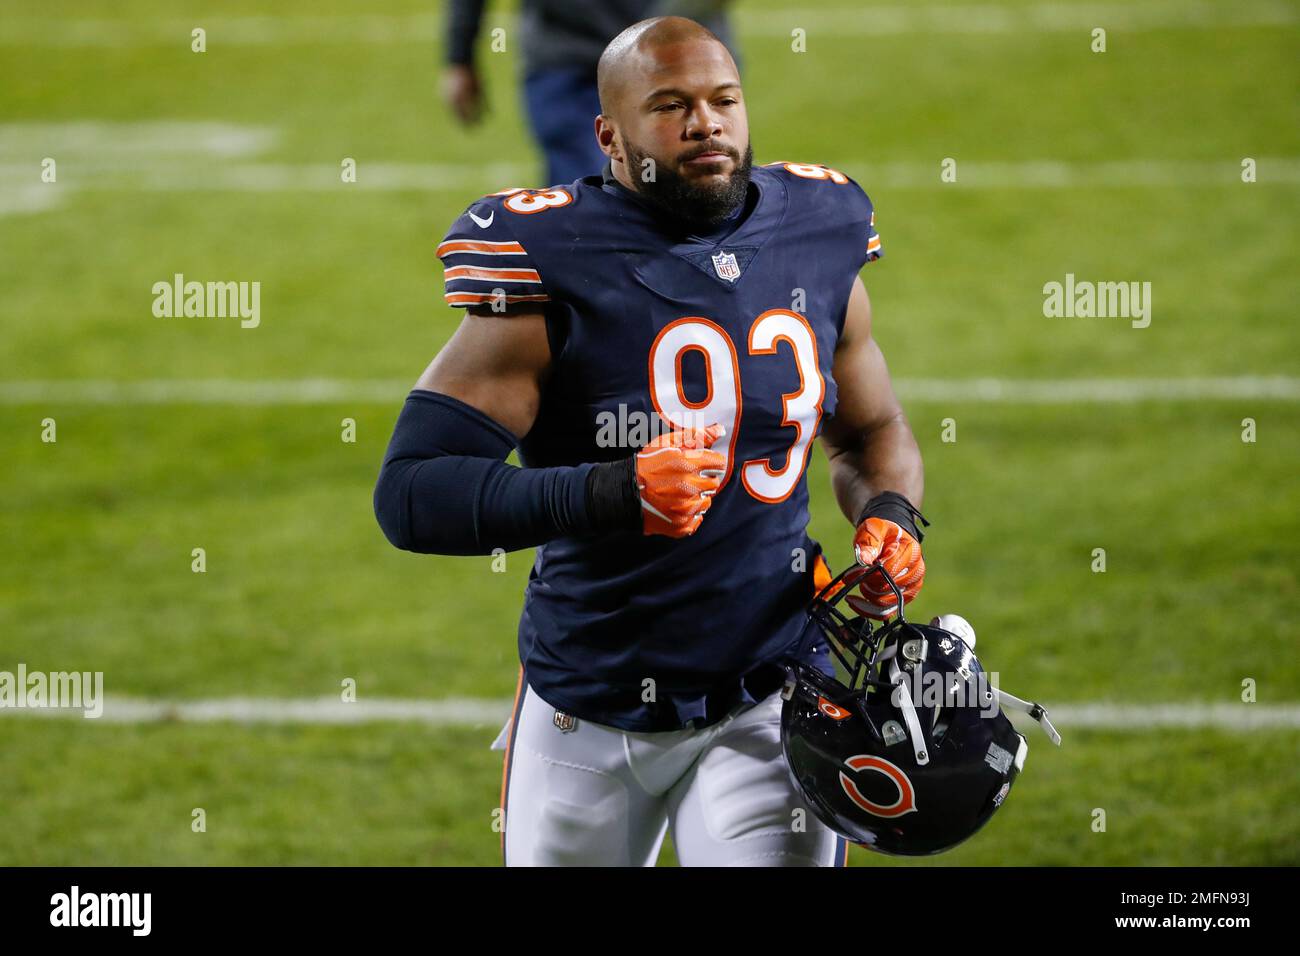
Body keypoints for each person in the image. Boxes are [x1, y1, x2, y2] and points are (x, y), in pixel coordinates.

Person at [379, 16, 927, 866]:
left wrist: (890, 515)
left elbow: (870, 430)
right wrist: (613, 492)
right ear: (608, 134)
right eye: (670, 106)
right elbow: (412, 493)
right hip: (587, 699)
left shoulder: (817, 229)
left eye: (723, 100)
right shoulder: (550, 258)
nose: (705, 123)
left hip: (772, 688)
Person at [443, 0, 735, 185]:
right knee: (590, 197)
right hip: (570, 63)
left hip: (674, 62)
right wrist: (460, 54)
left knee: (691, 193)